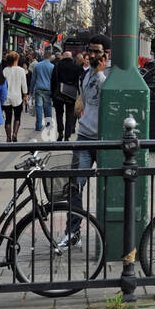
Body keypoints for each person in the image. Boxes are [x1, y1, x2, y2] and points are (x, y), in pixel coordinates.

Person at [66, 36, 112, 245]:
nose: (91, 55)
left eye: (96, 51)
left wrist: (100, 74)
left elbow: (109, 99)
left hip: (105, 140)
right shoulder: (85, 75)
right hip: (85, 136)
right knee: (75, 185)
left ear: (107, 53)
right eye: (89, 51)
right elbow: (86, 103)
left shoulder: (111, 74)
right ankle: (73, 232)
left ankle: (108, 233)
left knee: (110, 186)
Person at [52, 50, 83, 141]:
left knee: (59, 114)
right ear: (71, 57)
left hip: (59, 94)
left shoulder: (57, 66)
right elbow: (79, 82)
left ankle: (60, 132)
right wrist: (79, 94)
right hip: (71, 94)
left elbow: (53, 80)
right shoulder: (76, 67)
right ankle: (67, 135)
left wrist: (52, 93)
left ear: (63, 57)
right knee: (69, 115)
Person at [2, 52, 29, 142]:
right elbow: (24, 85)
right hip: (17, 97)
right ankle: (15, 134)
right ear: (16, 60)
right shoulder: (21, 70)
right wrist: (25, 95)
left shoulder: (5, 70)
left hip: (6, 97)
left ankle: (8, 137)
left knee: (8, 118)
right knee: (17, 117)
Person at [30, 50, 55, 133]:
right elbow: (53, 80)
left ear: (44, 56)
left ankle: (38, 126)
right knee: (48, 107)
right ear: (50, 57)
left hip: (38, 88)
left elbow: (33, 79)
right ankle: (48, 124)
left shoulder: (37, 66)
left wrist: (31, 90)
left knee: (39, 107)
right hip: (48, 89)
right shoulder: (52, 66)